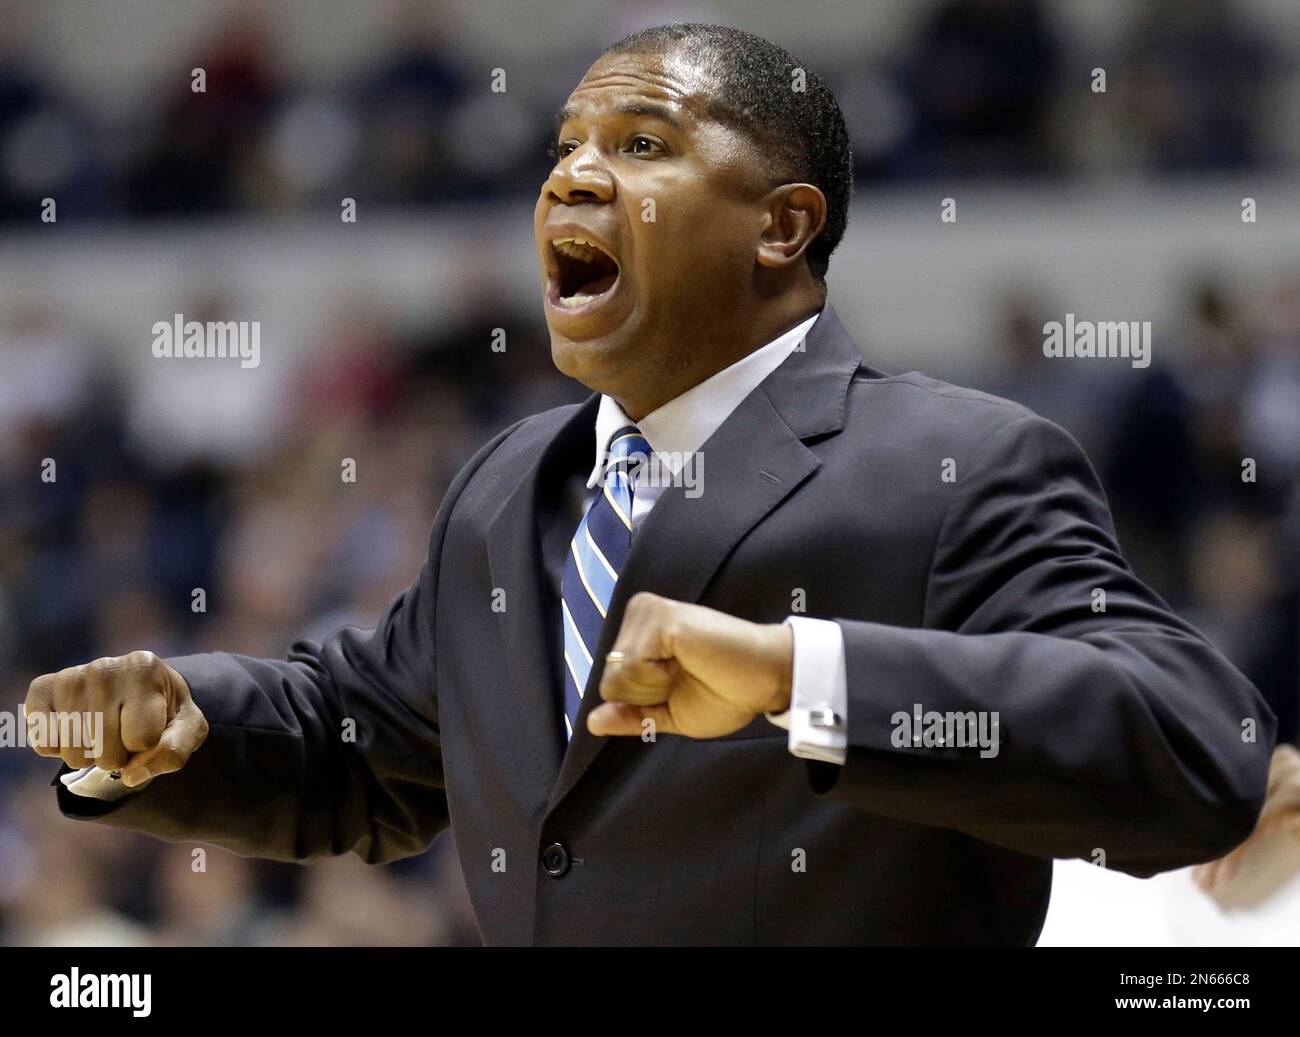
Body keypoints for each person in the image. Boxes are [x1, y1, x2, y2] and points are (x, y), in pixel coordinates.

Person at [25, 23, 1274, 946]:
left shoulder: (957, 462)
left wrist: (798, 673)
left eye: (640, 144)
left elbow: (1188, 740)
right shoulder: (509, 481)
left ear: (780, 229)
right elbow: (370, 741)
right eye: (564, 147)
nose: (569, 176)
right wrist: (176, 720)